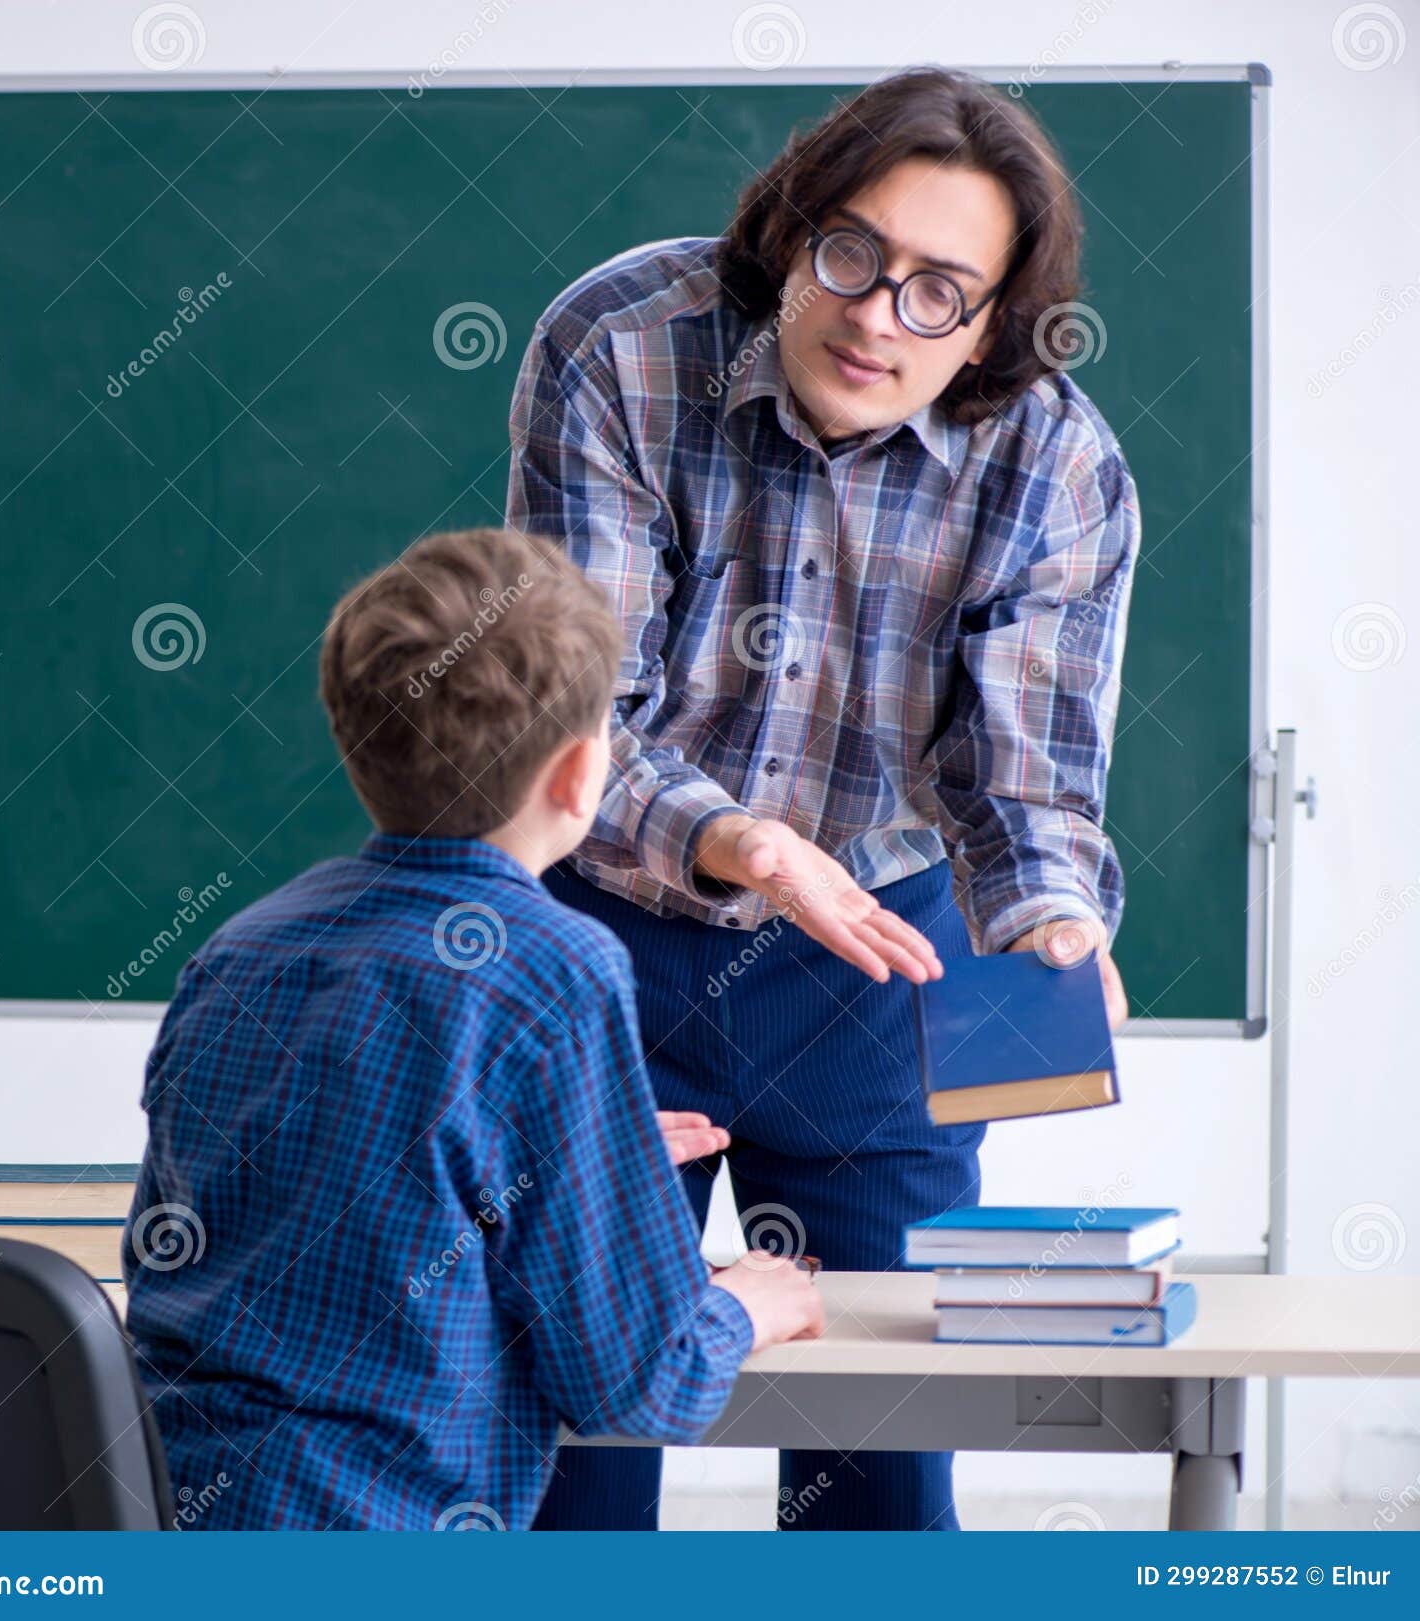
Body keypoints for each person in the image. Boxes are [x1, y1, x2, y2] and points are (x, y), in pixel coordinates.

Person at [506, 65, 1140, 1531]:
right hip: (603, 947)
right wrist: (745, 843)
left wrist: (1054, 919)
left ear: (993, 321)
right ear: (793, 230)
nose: (874, 316)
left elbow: (1025, 780)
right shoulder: (622, 342)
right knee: (575, 1454)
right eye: (851, 254)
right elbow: (576, 711)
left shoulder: (1057, 462)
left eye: (940, 291)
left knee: (879, 1471)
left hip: (879, 962)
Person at [122, 525, 824, 1531]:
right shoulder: (552, 970)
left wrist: (565, 1166)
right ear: (584, 777)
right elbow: (637, 1386)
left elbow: (185, 1253)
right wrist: (748, 1304)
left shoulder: (241, 947)